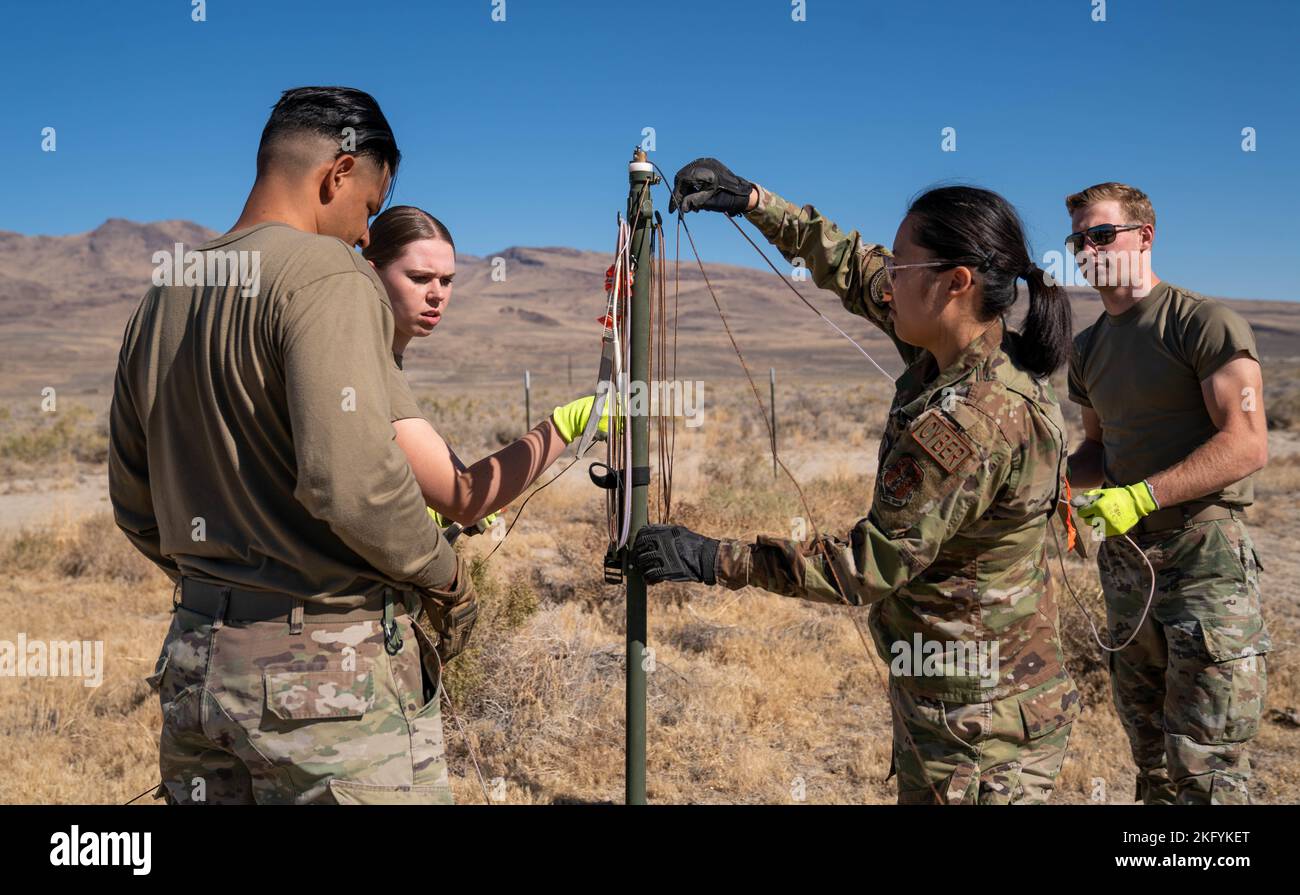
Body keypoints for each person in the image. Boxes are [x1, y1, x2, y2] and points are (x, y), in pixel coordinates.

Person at [632, 158, 1082, 804]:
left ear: (956, 282)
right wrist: (755, 201)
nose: (889, 282)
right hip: (954, 704)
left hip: (982, 730)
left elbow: (861, 567)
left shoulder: (973, 421)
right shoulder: (952, 349)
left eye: (902, 268)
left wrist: (710, 557)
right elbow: (851, 265)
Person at [111, 87, 465, 805]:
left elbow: (135, 502)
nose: (367, 235)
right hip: (323, 687)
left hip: (195, 666)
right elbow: (353, 483)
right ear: (337, 173)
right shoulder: (327, 275)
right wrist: (442, 574)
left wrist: (223, 582)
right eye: (369, 207)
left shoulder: (166, 292)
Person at [1064, 181, 1270, 805]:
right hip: (1127, 566)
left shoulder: (1201, 322)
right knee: (1150, 761)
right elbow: (1097, 449)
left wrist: (1142, 495)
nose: (1086, 249)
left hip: (1204, 556)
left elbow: (1247, 442)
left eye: (1101, 235)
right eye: (1077, 240)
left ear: (1143, 237)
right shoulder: (1088, 347)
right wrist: (1056, 481)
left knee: (1205, 767)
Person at [361, 206, 604, 533]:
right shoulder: (366, 363)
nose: (437, 294)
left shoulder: (378, 356)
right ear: (370, 274)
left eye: (446, 280)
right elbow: (466, 497)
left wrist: (430, 509)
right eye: (419, 278)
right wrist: (567, 423)